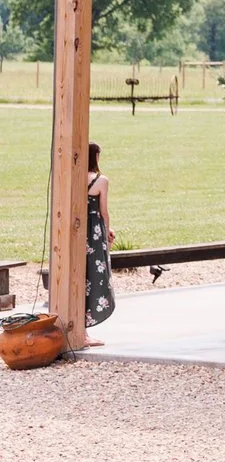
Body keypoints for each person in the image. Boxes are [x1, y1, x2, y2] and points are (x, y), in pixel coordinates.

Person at [84, 140, 116, 338]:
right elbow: (104, 212)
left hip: (77, 232)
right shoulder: (101, 180)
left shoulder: (74, 177)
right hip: (94, 234)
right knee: (95, 277)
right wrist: (107, 233)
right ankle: (85, 329)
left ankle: (81, 329)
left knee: (81, 276)